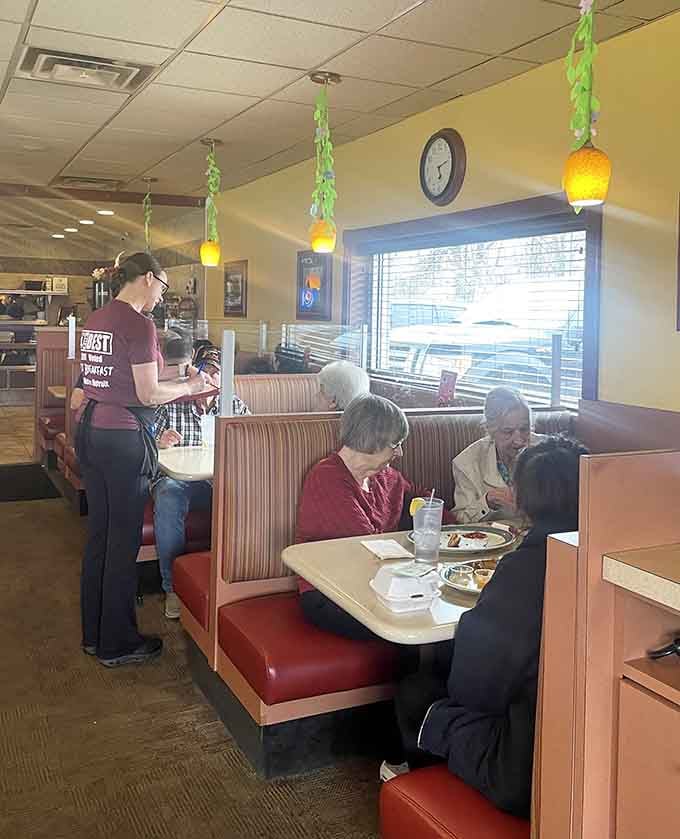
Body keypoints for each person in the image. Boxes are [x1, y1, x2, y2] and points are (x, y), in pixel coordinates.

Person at [390, 436, 589, 814]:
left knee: (416, 692)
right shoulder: (607, 556)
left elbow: (473, 686)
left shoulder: (526, 569)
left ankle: (435, 796)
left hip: (525, 771)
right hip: (591, 748)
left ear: (523, 500)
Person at [75, 252, 211, 668]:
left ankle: (94, 635)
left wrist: (184, 377)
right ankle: (117, 642)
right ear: (148, 278)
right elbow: (148, 393)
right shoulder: (139, 323)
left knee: (100, 536)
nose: (162, 297)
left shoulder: (97, 319)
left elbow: (122, 378)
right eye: (163, 287)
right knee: (123, 542)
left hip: (91, 432)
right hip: (122, 439)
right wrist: (191, 389)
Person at [296, 394, 422, 640]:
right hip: (331, 593)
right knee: (413, 621)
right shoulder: (326, 478)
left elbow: (422, 501)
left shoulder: (386, 476)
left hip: (379, 585)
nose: (400, 452)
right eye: (396, 444)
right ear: (372, 440)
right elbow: (367, 547)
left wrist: (465, 531)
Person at [152, 343, 249, 619]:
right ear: (194, 374)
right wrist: (159, 441)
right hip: (177, 481)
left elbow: (253, 437)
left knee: (245, 496)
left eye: (216, 373)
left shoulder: (231, 404)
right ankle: (172, 587)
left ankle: (234, 580)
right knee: (169, 496)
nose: (210, 379)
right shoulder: (172, 403)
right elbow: (143, 439)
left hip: (216, 482)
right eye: (205, 372)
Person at [452, 386, 545, 523]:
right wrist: (487, 501)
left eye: (524, 429)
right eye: (508, 432)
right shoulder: (467, 463)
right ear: (491, 430)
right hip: (491, 536)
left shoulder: (547, 452)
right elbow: (459, 520)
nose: (519, 440)